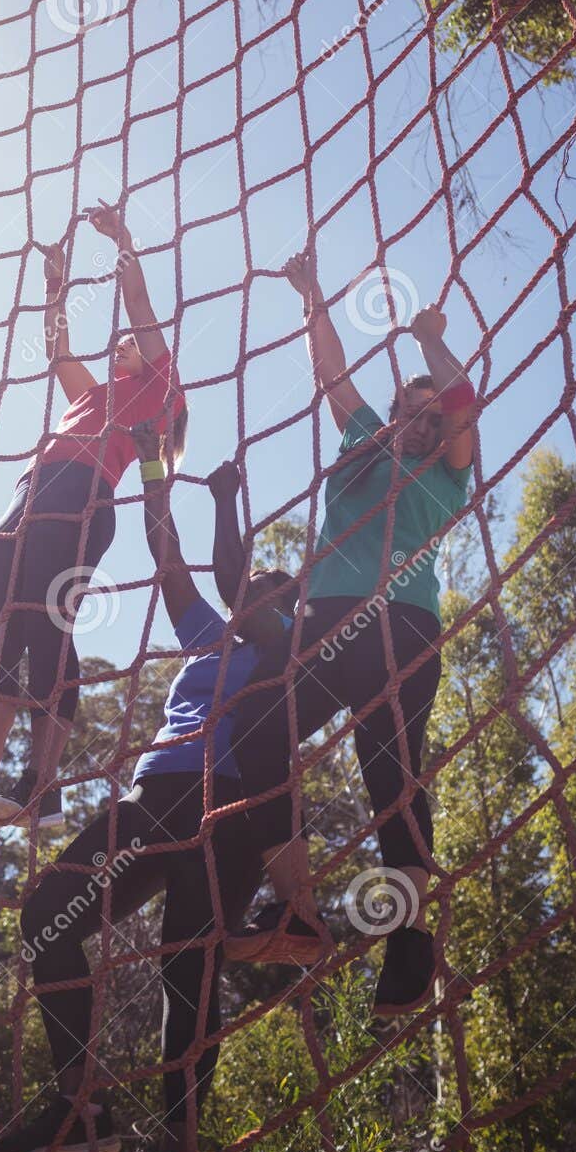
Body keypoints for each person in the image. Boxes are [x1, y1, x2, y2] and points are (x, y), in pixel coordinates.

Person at [0, 432, 296, 1152]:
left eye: (281, 592)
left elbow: (233, 574)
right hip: (153, 799)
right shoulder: (209, 635)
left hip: (227, 812)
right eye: (262, 588)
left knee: (186, 976)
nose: (267, 594)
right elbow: (167, 554)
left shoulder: (290, 653)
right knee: (45, 917)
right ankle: (77, 1104)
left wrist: (228, 503)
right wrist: (156, 468)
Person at [226, 253, 476, 1025]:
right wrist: (311, 294)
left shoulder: (445, 473)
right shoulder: (365, 439)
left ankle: (408, 936)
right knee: (258, 728)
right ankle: (296, 905)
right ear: (397, 410)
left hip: (402, 623)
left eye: (434, 413)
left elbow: (465, 407)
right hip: (331, 622)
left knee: (388, 773)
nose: (425, 416)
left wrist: (433, 340)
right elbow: (331, 374)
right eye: (414, 406)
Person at [0, 203, 187, 833]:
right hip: (33, 491)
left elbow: (142, 304)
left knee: (47, 632)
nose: (123, 342)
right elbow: (56, 347)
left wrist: (124, 239)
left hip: (82, 499)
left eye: (130, 343)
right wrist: (55, 282)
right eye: (122, 340)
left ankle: (42, 787)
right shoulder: (93, 394)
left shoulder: (160, 384)